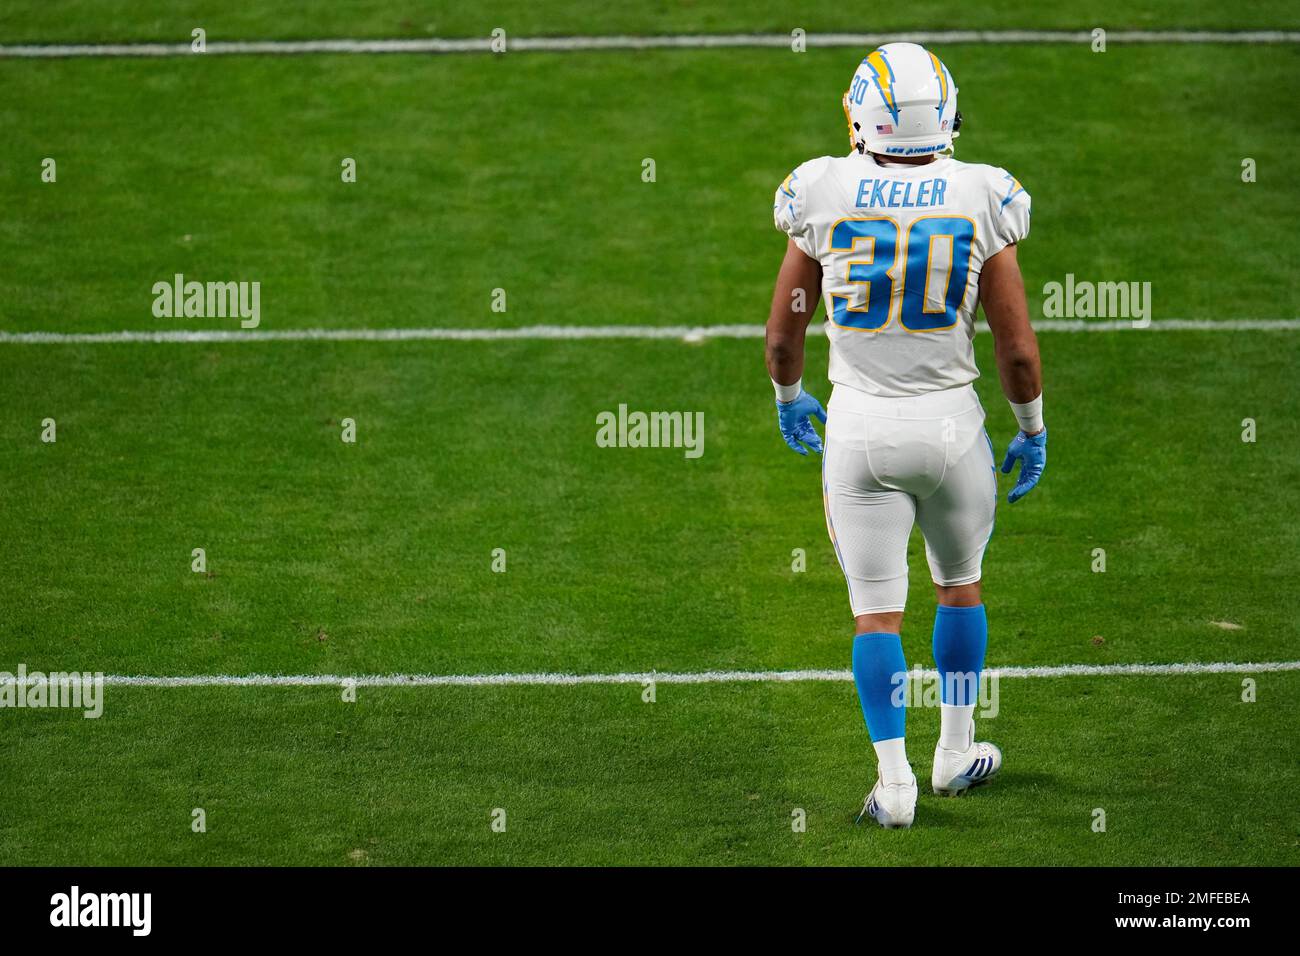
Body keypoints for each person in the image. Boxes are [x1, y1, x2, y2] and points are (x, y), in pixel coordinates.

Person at [764, 42, 1046, 829]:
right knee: (960, 586)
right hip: (953, 426)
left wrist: (789, 395)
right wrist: (1031, 426)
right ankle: (954, 753)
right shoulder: (982, 193)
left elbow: (785, 332)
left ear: (861, 115)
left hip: (860, 426)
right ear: (947, 116)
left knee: (875, 614)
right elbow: (1016, 347)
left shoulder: (820, 188)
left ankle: (894, 787)